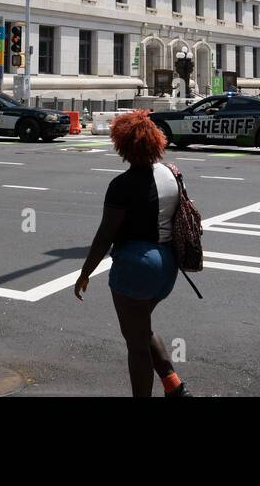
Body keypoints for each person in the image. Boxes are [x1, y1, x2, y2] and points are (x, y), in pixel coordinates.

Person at [74, 109, 189, 397]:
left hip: (137, 265)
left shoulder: (121, 185)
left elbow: (105, 235)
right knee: (142, 327)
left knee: (136, 345)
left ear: (121, 145)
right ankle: (174, 387)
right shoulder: (171, 174)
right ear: (156, 141)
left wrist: (85, 272)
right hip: (168, 265)